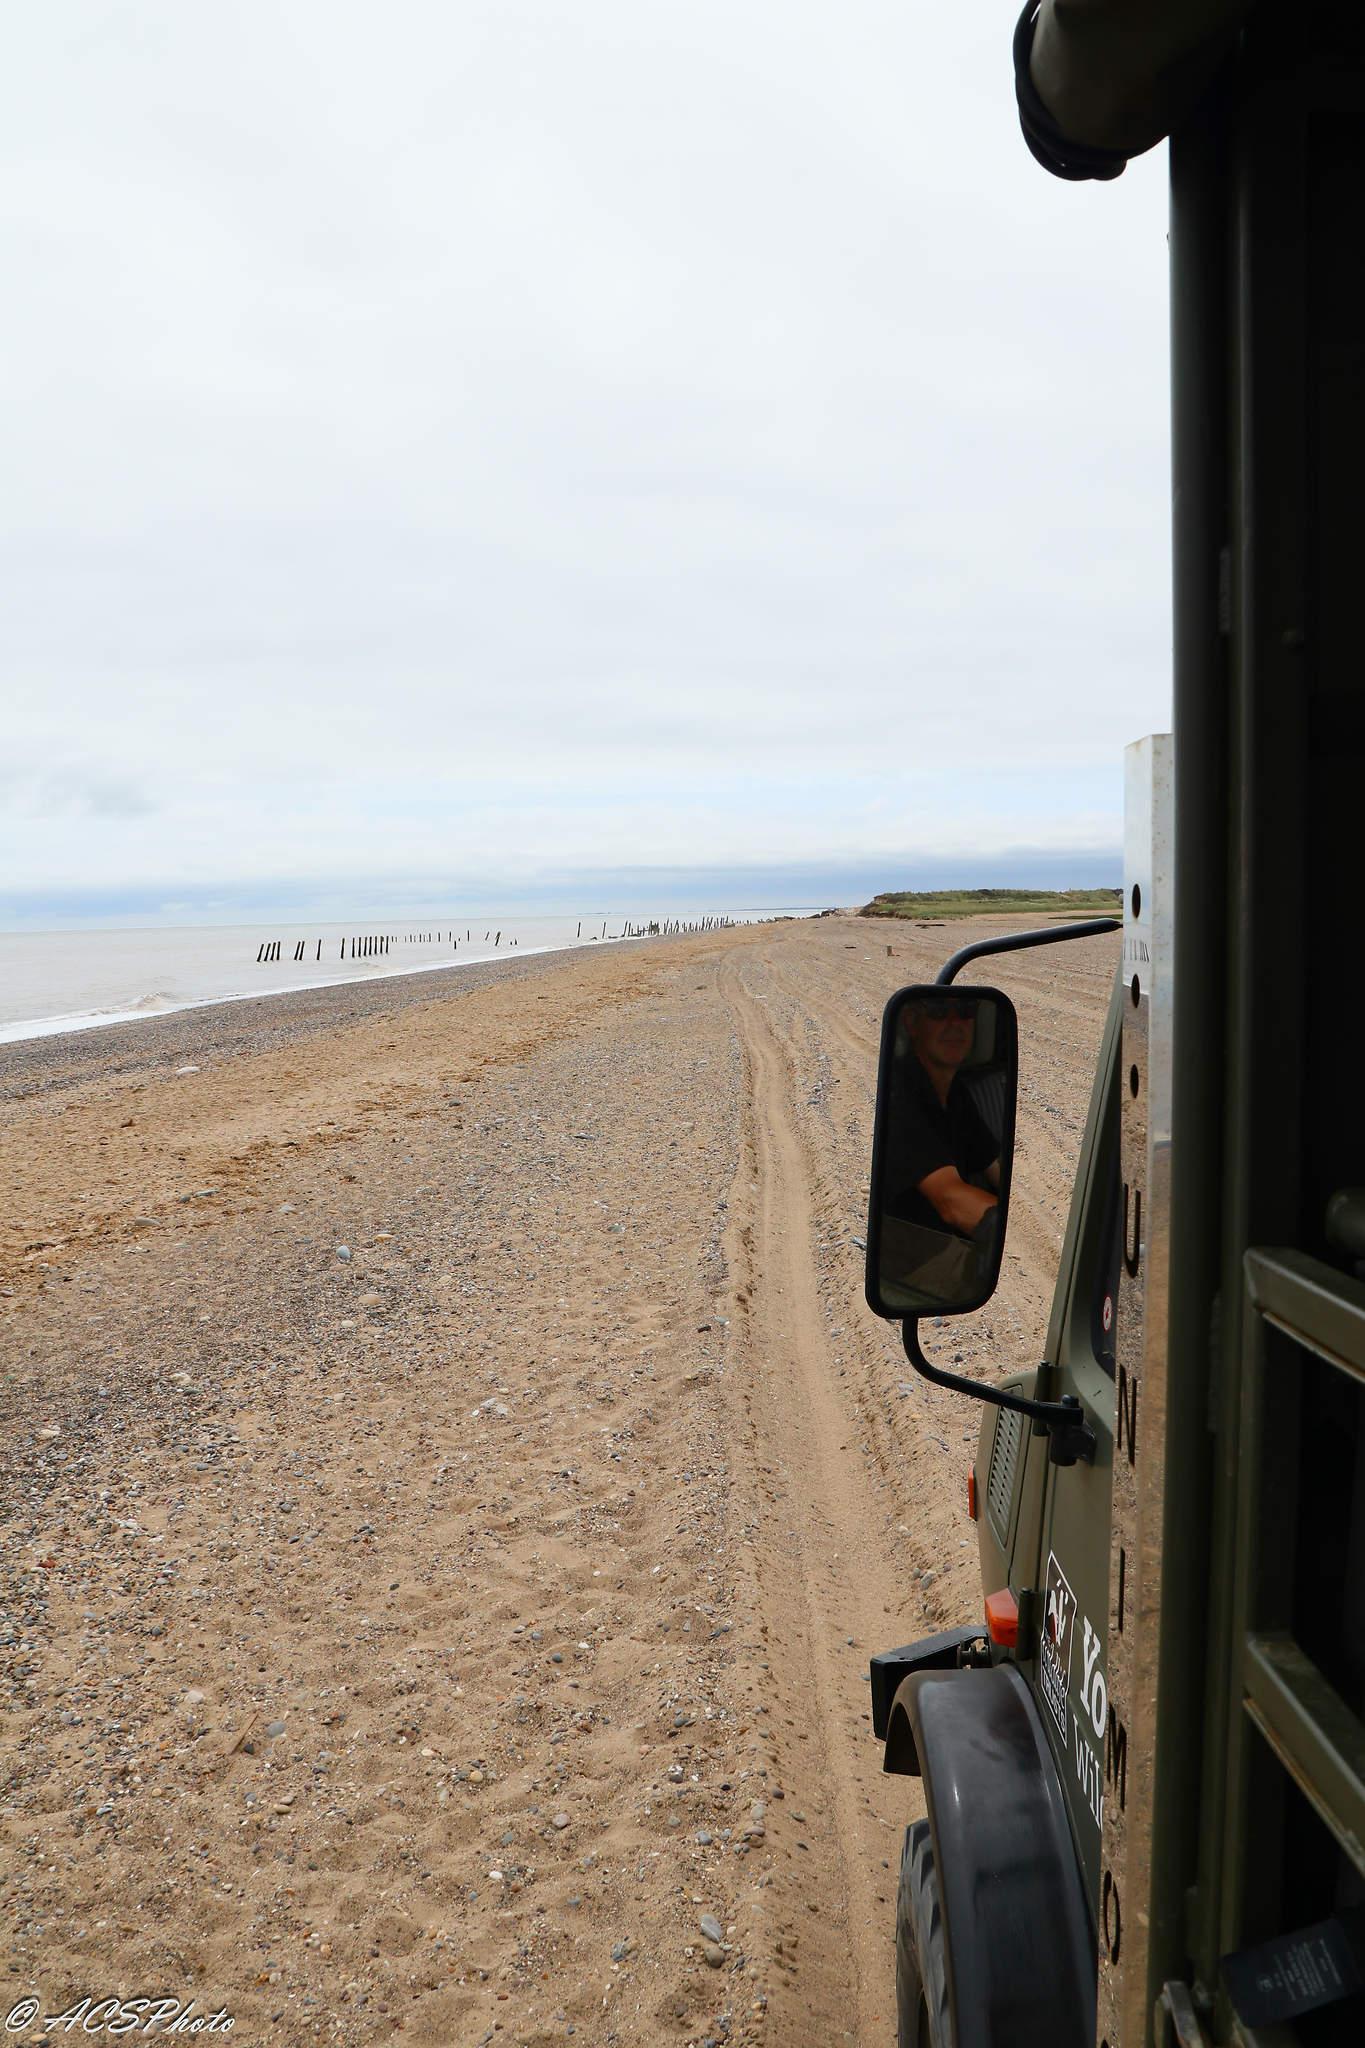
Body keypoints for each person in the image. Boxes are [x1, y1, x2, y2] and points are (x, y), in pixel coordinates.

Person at [879, 995, 1002, 1308]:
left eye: (965, 1010)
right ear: (911, 1023)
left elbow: (995, 1165)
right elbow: (952, 1201)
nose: (954, 1023)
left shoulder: (954, 1092)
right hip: (918, 1260)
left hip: (948, 1243)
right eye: (937, 1011)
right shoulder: (901, 1096)